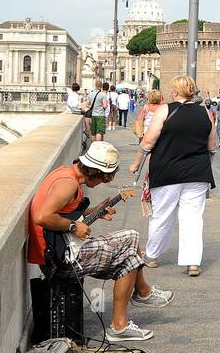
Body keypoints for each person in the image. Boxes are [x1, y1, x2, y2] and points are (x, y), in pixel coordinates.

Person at [28, 140, 172, 342]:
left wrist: (93, 212)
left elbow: (64, 213)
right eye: (105, 178)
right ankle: (141, 296)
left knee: (129, 257)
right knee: (131, 237)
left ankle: (122, 323)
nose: (103, 183)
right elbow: (42, 217)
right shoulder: (68, 184)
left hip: (60, 251)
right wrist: (73, 227)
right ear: (94, 172)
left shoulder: (65, 174)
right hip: (60, 260)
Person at [131, 76, 217, 277]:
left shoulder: (165, 110)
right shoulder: (205, 112)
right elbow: (212, 146)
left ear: (176, 92)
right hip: (197, 173)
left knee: (162, 215)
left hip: (166, 171)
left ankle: (152, 256)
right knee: (193, 218)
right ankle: (192, 263)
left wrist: (135, 164)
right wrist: (204, 166)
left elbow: (147, 142)